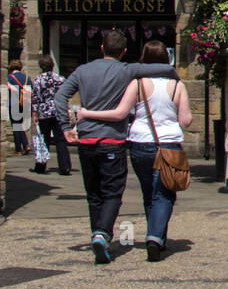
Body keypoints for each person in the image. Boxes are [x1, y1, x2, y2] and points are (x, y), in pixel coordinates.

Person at [53, 31, 176, 264]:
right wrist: (173, 73)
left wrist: (64, 125)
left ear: (101, 48)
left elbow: (60, 97)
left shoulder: (82, 71)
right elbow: (165, 70)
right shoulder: (126, 70)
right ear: (123, 52)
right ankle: (102, 233)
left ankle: (97, 234)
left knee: (93, 193)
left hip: (87, 139)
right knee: (112, 192)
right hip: (113, 140)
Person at [76, 40, 191, 262]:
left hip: (140, 143)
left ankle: (157, 238)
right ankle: (155, 238)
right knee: (165, 193)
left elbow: (120, 113)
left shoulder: (137, 83)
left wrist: (87, 113)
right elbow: (185, 120)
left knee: (149, 193)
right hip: (168, 143)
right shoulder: (178, 85)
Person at [30, 54, 72, 175]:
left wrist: (34, 113)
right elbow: (65, 95)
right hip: (58, 111)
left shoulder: (39, 79)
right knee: (61, 140)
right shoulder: (60, 78)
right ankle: (65, 166)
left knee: (44, 139)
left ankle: (41, 165)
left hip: (44, 112)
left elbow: (36, 98)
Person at [6, 60, 31, 155]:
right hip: (25, 103)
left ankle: (18, 149)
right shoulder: (27, 78)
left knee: (16, 125)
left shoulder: (9, 78)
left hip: (13, 103)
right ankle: (26, 145)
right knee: (19, 125)